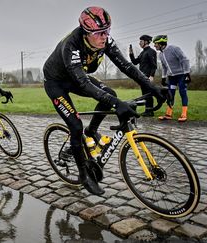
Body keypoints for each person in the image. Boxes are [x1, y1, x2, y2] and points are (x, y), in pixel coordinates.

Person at [43, 6, 164, 195]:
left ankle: (91, 131)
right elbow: (83, 84)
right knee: (75, 126)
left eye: (107, 31)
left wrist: (152, 87)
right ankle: (84, 176)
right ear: (86, 32)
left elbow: (126, 66)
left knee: (111, 94)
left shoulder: (105, 40)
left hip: (76, 77)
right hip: (56, 83)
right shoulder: (72, 44)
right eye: (99, 33)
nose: (104, 36)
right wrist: (117, 105)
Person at [153, 35, 190, 122]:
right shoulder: (161, 54)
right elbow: (164, 67)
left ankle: (184, 114)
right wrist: (163, 77)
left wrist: (187, 73)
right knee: (170, 94)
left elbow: (185, 60)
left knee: (182, 92)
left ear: (161, 43)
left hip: (181, 75)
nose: (154, 46)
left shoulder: (174, 48)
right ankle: (168, 114)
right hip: (172, 77)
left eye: (156, 44)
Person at [129, 35, 157, 117]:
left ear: (146, 42)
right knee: (145, 94)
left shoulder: (151, 51)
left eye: (141, 41)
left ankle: (150, 111)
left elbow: (154, 65)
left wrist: (151, 76)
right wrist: (131, 54)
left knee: (148, 94)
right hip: (142, 77)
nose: (139, 43)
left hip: (148, 76)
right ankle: (147, 110)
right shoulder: (143, 52)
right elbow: (135, 62)